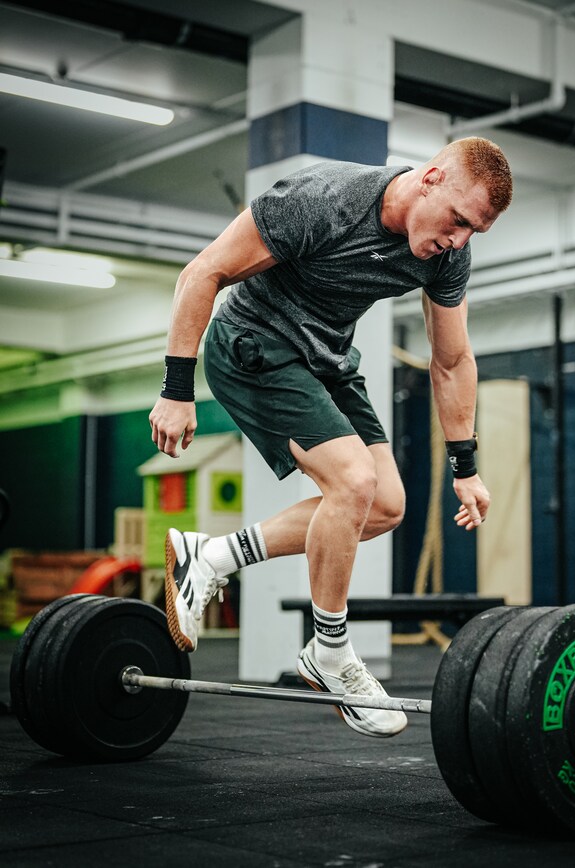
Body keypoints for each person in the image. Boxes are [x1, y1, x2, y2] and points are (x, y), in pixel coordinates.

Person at [149, 136, 513, 739]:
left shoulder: (447, 256)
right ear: (430, 179)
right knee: (354, 480)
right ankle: (331, 651)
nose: (458, 240)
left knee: (385, 504)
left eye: (474, 231)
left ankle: (211, 557)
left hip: (326, 361)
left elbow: (452, 361)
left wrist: (466, 468)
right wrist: (176, 389)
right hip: (252, 344)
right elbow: (203, 272)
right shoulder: (323, 199)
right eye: (458, 220)